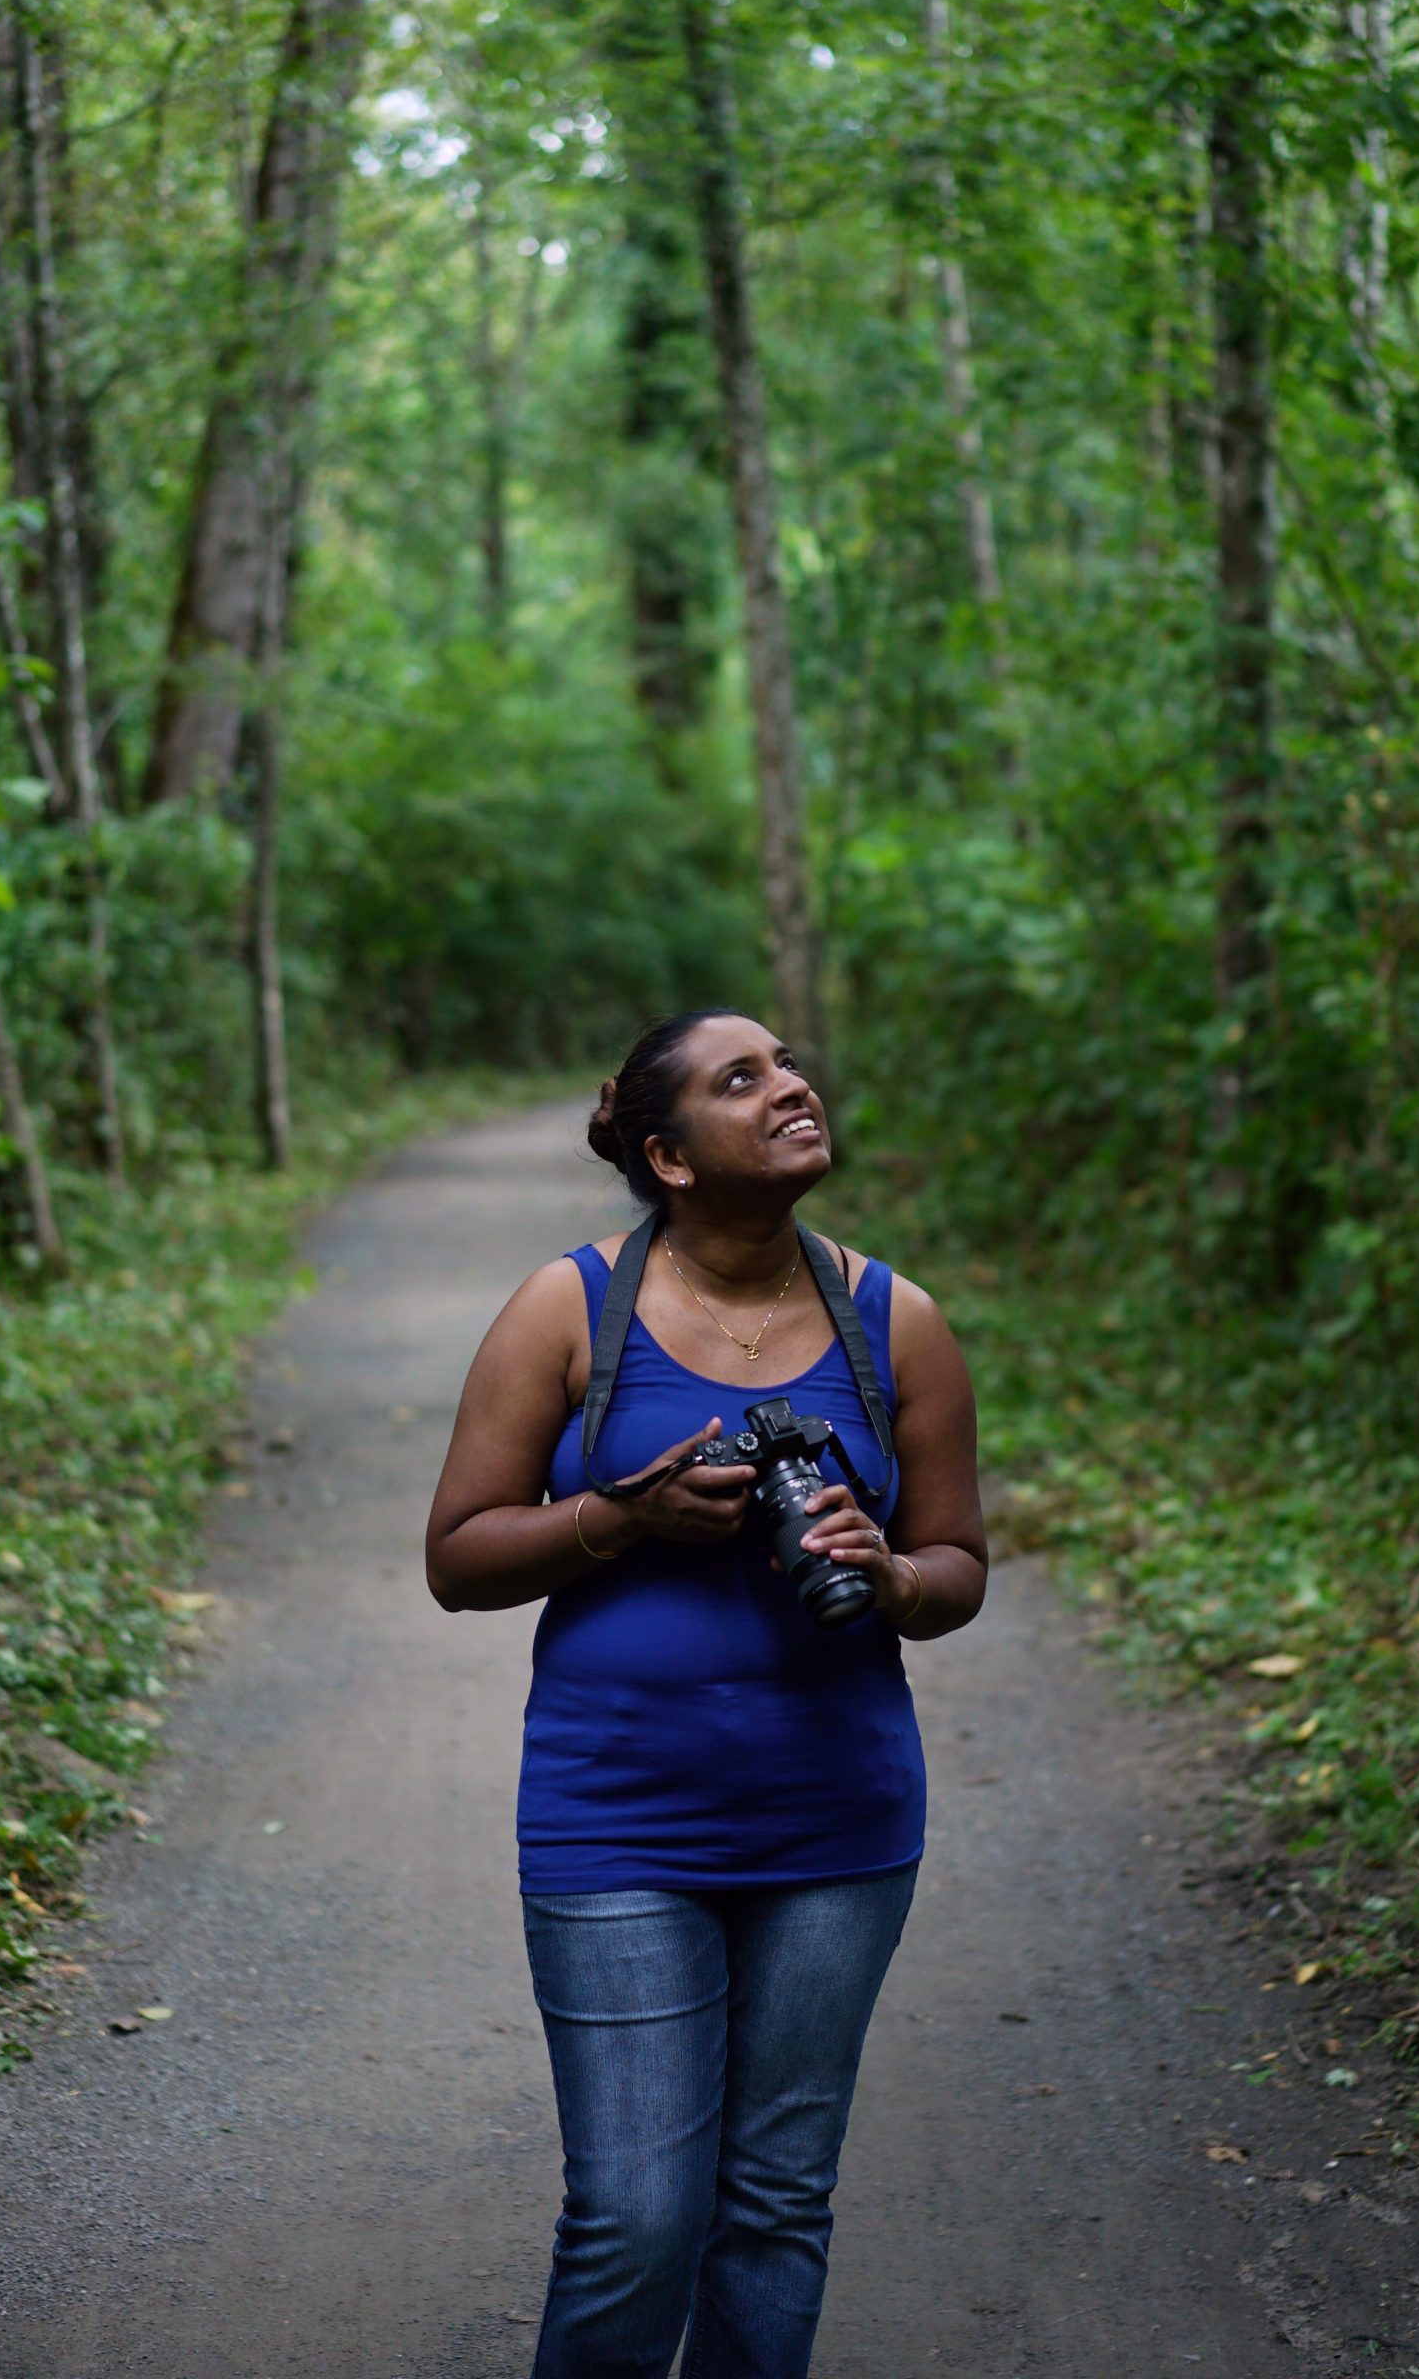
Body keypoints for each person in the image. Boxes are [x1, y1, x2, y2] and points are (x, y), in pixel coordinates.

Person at [424, 1009, 987, 2379]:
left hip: (838, 1827)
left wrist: (892, 1575)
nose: (792, 1083)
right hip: (615, 1815)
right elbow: (457, 1556)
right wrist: (617, 1521)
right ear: (669, 1155)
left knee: (774, 2205)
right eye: (745, 1079)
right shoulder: (571, 1307)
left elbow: (960, 1561)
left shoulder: (892, 1321)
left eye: (787, 1063)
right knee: (634, 2214)